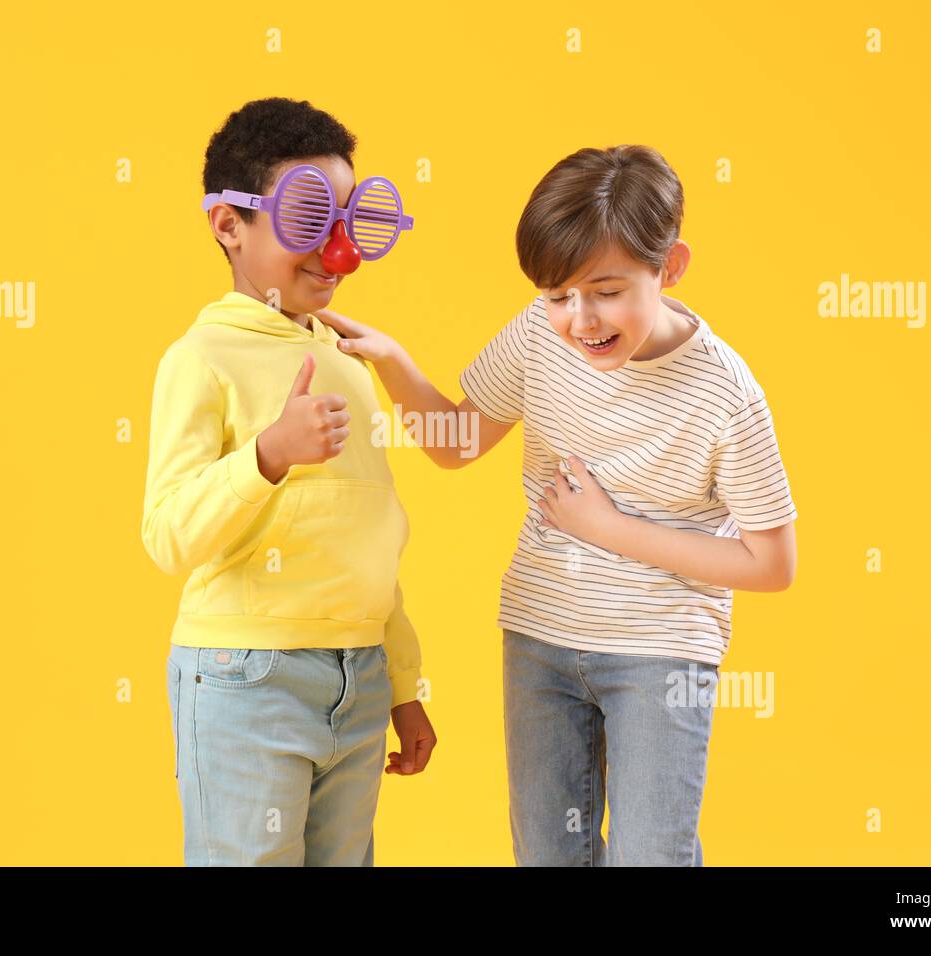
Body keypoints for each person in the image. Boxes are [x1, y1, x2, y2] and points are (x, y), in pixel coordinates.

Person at [323, 144, 797, 866]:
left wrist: (609, 529)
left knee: (650, 855)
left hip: (660, 651)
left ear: (669, 267)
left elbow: (772, 563)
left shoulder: (724, 391)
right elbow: (456, 442)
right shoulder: (539, 337)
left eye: (606, 290)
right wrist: (395, 362)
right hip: (541, 636)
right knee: (547, 854)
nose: (580, 319)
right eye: (558, 295)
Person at [141, 97, 436, 866]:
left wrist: (402, 683)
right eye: (307, 217)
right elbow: (168, 534)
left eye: (348, 220)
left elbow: (369, 539)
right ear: (227, 224)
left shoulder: (349, 361)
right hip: (247, 679)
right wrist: (267, 456)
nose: (336, 251)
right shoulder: (201, 357)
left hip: (360, 678)